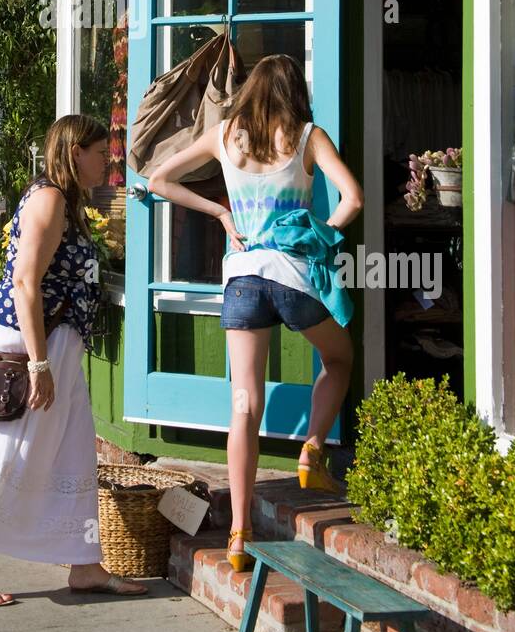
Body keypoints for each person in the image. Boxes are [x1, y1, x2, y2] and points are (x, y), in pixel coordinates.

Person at [147, 54, 363, 572]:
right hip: (292, 277)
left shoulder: (224, 135)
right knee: (338, 361)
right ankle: (312, 449)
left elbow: (157, 179)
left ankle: (238, 537)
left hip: (241, 277)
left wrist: (222, 212)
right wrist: (320, 235)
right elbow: (353, 198)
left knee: (244, 404)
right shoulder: (308, 135)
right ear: (295, 92)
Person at [0, 115, 148, 607]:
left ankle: (86, 566)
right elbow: (25, 284)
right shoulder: (50, 199)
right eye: (101, 151)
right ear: (76, 151)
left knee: (73, 452)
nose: (108, 160)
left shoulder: (64, 200)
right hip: (26, 345)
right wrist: (38, 365)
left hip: (54, 342)